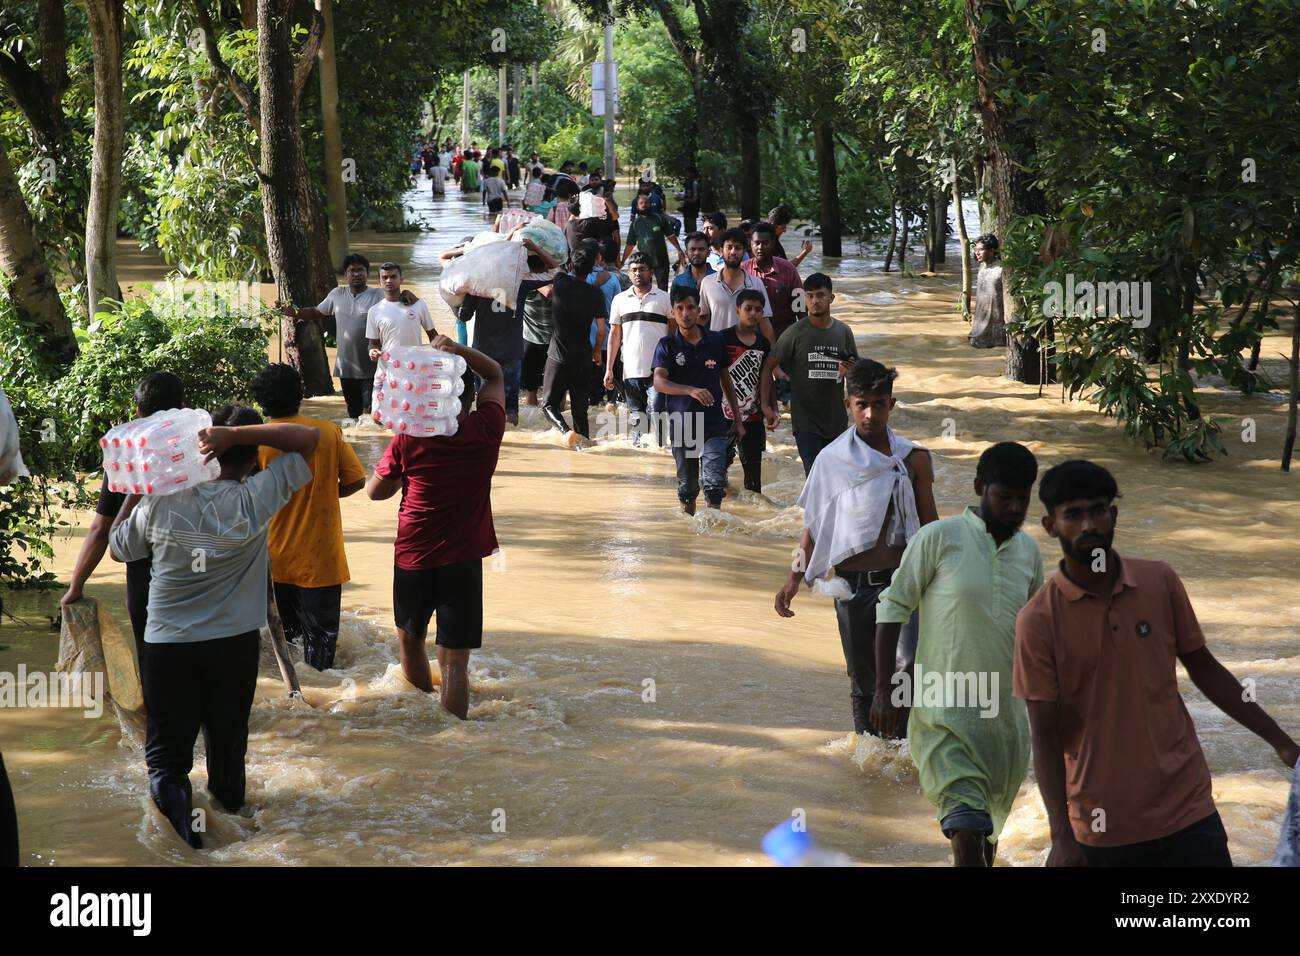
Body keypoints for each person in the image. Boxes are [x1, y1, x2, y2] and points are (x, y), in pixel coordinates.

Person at [1014, 460, 1300, 867]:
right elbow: (1043, 734)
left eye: (1098, 510)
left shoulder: (1158, 582)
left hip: (1188, 807)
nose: (1089, 524)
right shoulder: (1038, 620)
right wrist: (1061, 836)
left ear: (1113, 515)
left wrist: (1284, 743)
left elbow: (1205, 668)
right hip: (1103, 821)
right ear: (1050, 525)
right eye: (1073, 514)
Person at [109, 407, 320, 848]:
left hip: (168, 648)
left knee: (166, 761)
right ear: (250, 461)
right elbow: (307, 439)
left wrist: (137, 487)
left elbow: (118, 547)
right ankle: (233, 838)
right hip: (233, 648)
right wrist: (235, 434)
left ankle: (189, 840)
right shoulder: (254, 498)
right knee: (227, 749)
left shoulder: (160, 501)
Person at [872, 442, 1043, 866]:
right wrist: (885, 688)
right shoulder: (939, 538)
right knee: (966, 831)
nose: (1014, 507)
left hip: (1005, 726)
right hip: (944, 716)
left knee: (985, 841)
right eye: (1005, 496)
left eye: (1023, 498)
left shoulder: (1029, 553)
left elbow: (1040, 633)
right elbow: (893, 607)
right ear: (979, 487)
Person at [775, 360, 938, 735]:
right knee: (862, 679)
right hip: (851, 586)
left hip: (903, 582)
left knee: (907, 668)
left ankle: (902, 751)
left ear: (892, 405)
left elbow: (930, 530)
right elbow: (813, 528)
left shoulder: (913, 460)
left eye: (879, 404)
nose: (870, 413)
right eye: (861, 403)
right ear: (847, 404)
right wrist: (792, 580)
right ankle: (869, 760)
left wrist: (944, 582)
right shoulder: (832, 460)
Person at [366, 337, 507, 720]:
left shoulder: (409, 439)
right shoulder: (485, 431)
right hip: (462, 561)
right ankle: (453, 738)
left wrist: (400, 470)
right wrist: (459, 352)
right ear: (465, 402)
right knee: (454, 663)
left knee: (411, 643)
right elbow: (494, 373)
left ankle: (419, 728)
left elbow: (374, 493)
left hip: (413, 557)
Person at [251, 364, 366, 672]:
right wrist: (326, 491)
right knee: (321, 645)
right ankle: (322, 701)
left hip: (275, 557)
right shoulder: (328, 432)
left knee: (287, 639)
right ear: (300, 394)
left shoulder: (256, 443)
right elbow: (356, 481)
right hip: (321, 559)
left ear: (260, 402)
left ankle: (295, 699)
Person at [60, 373, 186, 653]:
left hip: (146, 583)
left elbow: (100, 529)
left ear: (138, 411)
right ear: (182, 407)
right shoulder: (199, 450)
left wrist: (76, 586)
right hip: (199, 578)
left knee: (153, 666)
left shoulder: (128, 459)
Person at [281, 253, 418, 420]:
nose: (356, 274)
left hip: (373, 367)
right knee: (353, 414)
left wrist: (408, 293)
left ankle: (373, 444)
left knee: (371, 414)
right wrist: (291, 312)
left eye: (361, 270)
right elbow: (316, 312)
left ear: (367, 274)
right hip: (346, 367)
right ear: (345, 274)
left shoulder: (378, 295)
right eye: (352, 271)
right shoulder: (337, 294)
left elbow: (399, 298)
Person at [652, 285, 744, 515]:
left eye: (690, 307)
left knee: (714, 487)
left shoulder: (715, 340)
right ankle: (690, 539)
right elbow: (659, 382)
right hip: (683, 426)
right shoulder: (667, 345)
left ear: (699, 310)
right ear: (672, 312)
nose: (686, 313)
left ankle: (712, 539)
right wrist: (690, 390)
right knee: (688, 489)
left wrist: (738, 419)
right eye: (680, 308)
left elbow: (726, 381)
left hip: (714, 424)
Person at [760, 273, 857, 475]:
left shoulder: (843, 331)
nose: (815, 301)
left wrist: (857, 404)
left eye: (820, 295)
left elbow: (854, 371)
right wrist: (766, 405)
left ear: (831, 298)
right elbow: (768, 366)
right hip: (806, 420)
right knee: (815, 477)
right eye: (810, 296)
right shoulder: (795, 333)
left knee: (837, 478)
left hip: (836, 419)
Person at [460, 234, 559, 425]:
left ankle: (496, 446)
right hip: (511, 351)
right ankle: (513, 430)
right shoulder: (519, 283)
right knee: (511, 408)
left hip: (483, 352)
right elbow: (555, 272)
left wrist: (460, 298)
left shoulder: (476, 286)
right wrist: (534, 247)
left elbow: (463, 317)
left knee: (485, 403)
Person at [539, 241, 608, 445]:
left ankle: (566, 431)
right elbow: (602, 331)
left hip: (558, 357)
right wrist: (596, 351)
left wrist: (534, 246)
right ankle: (585, 446)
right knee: (580, 411)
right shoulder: (596, 294)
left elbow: (551, 264)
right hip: (583, 358)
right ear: (591, 269)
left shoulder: (560, 282)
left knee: (549, 406)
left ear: (570, 265)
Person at [605, 253, 672, 447]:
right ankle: (639, 454)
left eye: (642, 269)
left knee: (658, 411)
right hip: (631, 369)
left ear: (651, 272)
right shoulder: (620, 300)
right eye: (633, 269)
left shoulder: (664, 298)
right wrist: (609, 369)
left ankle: (660, 451)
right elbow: (614, 336)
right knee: (637, 416)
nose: (637, 273)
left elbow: (672, 333)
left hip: (659, 369)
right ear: (628, 272)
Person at [721, 290, 771, 493]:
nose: (753, 313)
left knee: (753, 481)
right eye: (748, 309)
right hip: (724, 415)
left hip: (753, 416)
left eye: (758, 310)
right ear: (737, 311)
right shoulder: (722, 339)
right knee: (717, 470)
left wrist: (770, 408)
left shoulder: (763, 343)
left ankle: (753, 517)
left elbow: (766, 377)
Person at [698, 228, 774, 343]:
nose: (733, 252)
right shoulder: (708, 283)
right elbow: (702, 318)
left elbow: (764, 321)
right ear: (721, 251)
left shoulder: (756, 283)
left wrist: (773, 354)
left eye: (738, 248)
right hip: (716, 349)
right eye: (729, 247)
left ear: (744, 252)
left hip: (747, 353)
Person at [744, 222, 804, 343]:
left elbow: (800, 308)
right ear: (751, 244)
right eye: (757, 243)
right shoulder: (743, 271)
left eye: (765, 243)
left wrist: (804, 335)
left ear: (773, 244)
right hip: (752, 339)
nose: (760, 247)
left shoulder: (788, 270)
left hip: (785, 337)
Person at [365, 262, 437, 359]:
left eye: (393, 277)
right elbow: (373, 344)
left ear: (401, 280)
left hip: (415, 366)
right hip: (389, 368)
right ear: (379, 282)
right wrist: (372, 351)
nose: (389, 280)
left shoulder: (418, 304)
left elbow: (433, 335)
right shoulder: (374, 311)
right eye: (385, 277)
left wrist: (442, 356)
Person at [622, 193, 685, 291]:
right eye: (641, 203)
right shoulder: (635, 224)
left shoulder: (659, 218)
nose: (644, 205)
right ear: (637, 206)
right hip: (644, 263)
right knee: (645, 289)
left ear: (650, 204)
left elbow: (671, 236)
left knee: (663, 288)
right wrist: (623, 261)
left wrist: (679, 250)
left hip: (661, 261)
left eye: (646, 203)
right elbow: (630, 244)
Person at [969, 234, 1006, 349]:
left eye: (981, 250)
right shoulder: (982, 267)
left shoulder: (1001, 269)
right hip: (980, 321)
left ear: (991, 251)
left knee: (998, 347)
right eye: (976, 250)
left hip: (997, 321)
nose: (977, 253)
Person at [678, 166, 702, 235]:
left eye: (687, 172)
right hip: (688, 209)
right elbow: (689, 195)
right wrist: (682, 196)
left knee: (691, 230)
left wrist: (682, 199)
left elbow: (694, 199)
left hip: (692, 209)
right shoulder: (690, 182)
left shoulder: (694, 183)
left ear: (692, 173)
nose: (686, 174)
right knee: (688, 230)